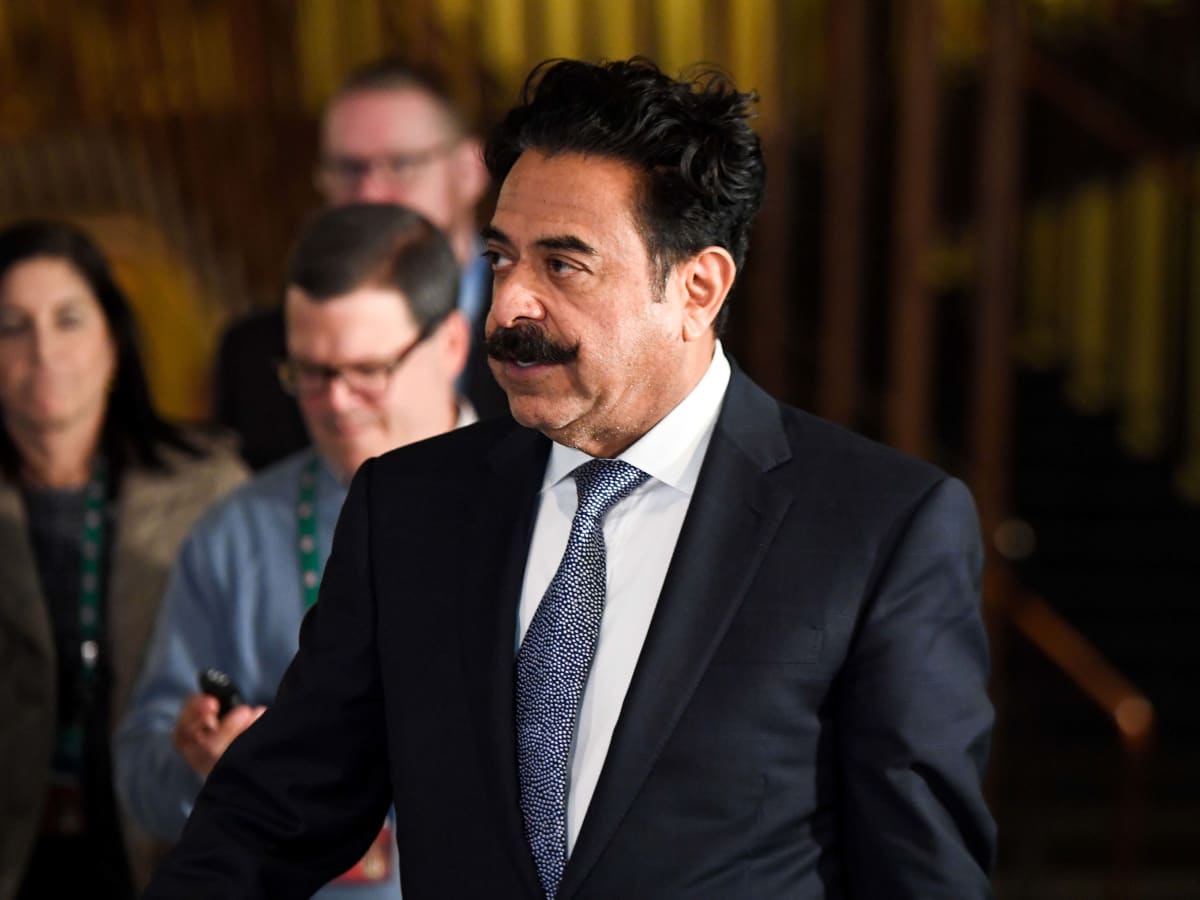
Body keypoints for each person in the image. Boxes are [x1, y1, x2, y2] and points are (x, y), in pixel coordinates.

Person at [145, 57, 996, 899]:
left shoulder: (878, 529)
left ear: (698, 288)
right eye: (500, 258)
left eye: (562, 265)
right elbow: (275, 813)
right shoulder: (408, 506)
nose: (508, 306)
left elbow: (920, 877)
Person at [115, 204, 473, 900]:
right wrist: (201, 766)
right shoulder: (235, 534)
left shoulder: (546, 503)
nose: (336, 403)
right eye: (310, 372)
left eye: (367, 369)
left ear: (452, 345)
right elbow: (138, 772)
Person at [0, 219, 247, 900]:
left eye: (68, 320)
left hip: (163, 844)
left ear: (112, 341)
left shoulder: (208, 487)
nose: (43, 349)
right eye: (13, 326)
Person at [216, 58, 502, 471]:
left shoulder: (543, 329)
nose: (370, 193)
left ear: (470, 170)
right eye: (349, 169)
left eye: (401, 165)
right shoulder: (255, 354)